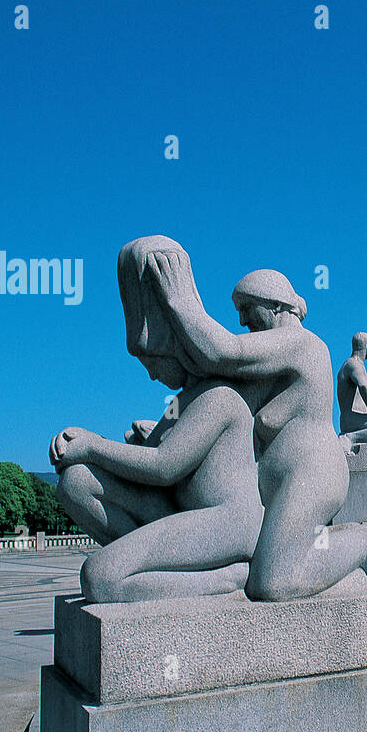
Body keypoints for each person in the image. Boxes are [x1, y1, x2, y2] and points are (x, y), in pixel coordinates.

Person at [144, 241, 367, 601]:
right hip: (275, 481)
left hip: (313, 473)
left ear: (276, 304)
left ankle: (365, 542)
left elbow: (223, 352)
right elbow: (211, 382)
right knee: (264, 567)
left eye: (247, 308)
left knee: (273, 581)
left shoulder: (304, 344)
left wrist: (180, 301)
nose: (241, 320)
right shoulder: (268, 360)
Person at [50, 237, 262, 602]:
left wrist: (94, 445)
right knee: (76, 482)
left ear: (176, 343)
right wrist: (141, 440)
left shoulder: (219, 396)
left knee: (100, 578)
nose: (151, 375)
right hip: (186, 513)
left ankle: (226, 579)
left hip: (228, 523)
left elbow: (164, 466)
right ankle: (147, 565)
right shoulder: (180, 402)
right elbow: (158, 451)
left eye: (151, 361)